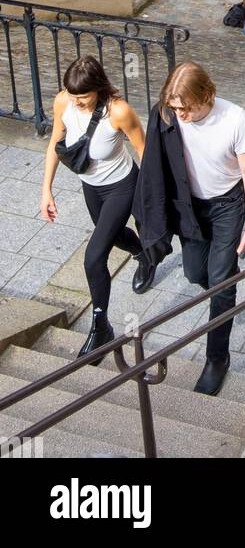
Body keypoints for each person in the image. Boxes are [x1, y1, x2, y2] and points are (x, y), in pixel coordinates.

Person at [139, 62, 245, 397]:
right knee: (196, 274)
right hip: (190, 206)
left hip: (227, 205)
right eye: (175, 109)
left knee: (220, 282)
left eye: (187, 109)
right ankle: (226, 294)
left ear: (205, 95)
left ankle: (216, 359)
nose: (180, 116)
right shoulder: (167, 115)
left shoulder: (235, 118)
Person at [40, 56, 153, 364]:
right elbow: (55, 141)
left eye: (84, 97)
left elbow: (144, 149)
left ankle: (101, 325)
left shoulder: (118, 111)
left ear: (99, 88)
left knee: (94, 257)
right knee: (114, 236)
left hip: (122, 186)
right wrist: (46, 190)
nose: (77, 102)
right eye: (73, 96)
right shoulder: (63, 101)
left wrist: (151, 197)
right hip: (91, 187)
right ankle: (143, 253)